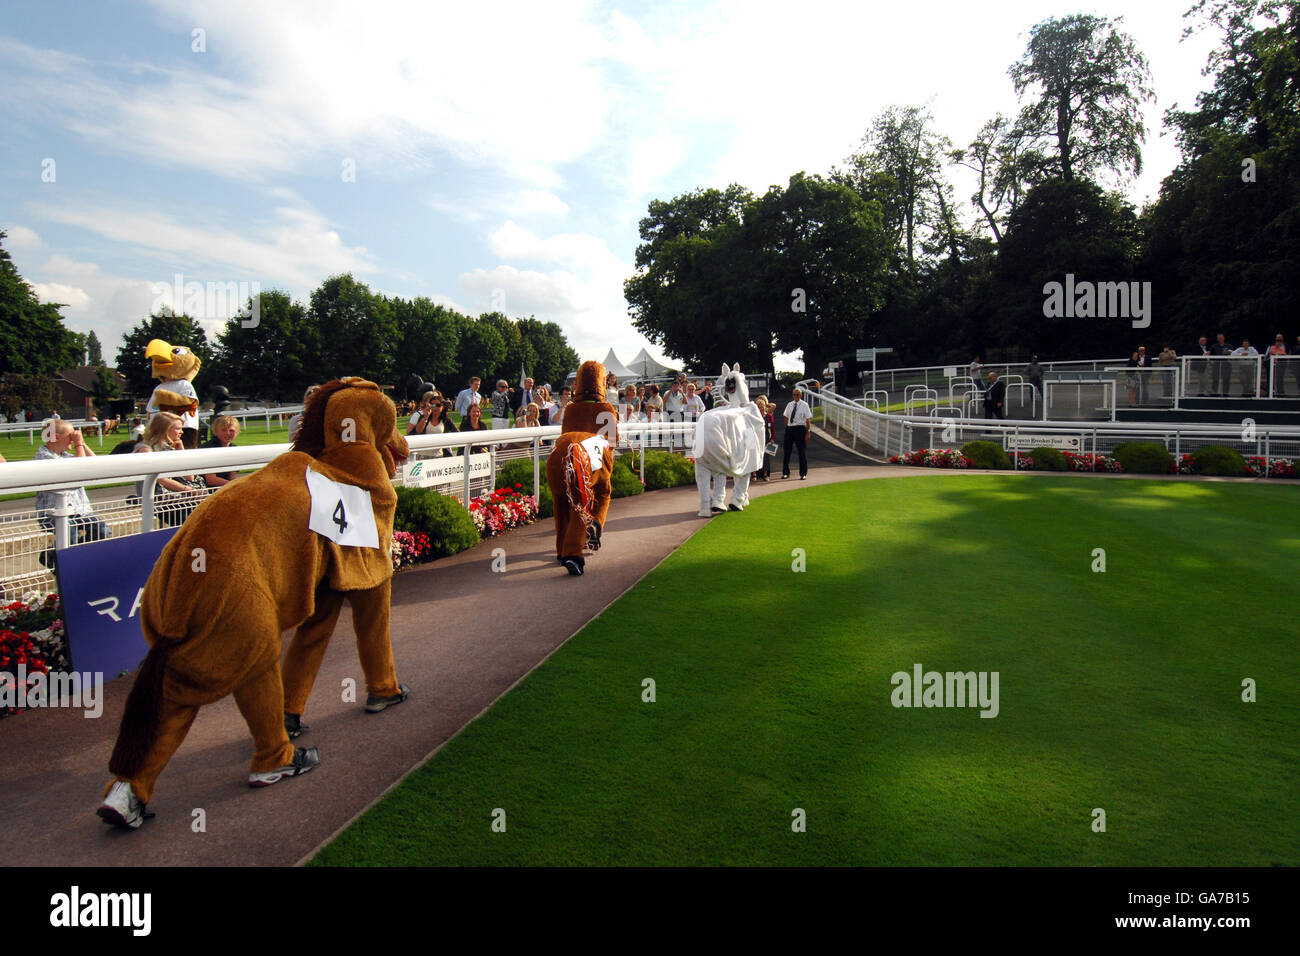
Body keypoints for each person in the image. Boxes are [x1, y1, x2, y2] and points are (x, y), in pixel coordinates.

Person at [34, 419, 112, 557]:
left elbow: (97, 464)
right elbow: (79, 470)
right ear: (56, 437)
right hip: (53, 512)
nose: (73, 438)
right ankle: (55, 559)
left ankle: (70, 556)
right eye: (70, 435)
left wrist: (81, 443)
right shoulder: (43, 457)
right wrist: (77, 444)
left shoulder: (65, 456)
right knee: (70, 533)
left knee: (102, 531)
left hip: (79, 510)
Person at [133, 412, 204, 527]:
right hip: (156, 497)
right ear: (165, 429)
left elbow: (189, 477)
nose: (182, 432)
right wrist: (188, 490)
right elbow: (161, 479)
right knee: (192, 521)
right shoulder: (146, 448)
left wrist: (181, 449)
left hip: (174, 497)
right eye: (178, 429)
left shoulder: (169, 448)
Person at [200, 414, 241, 488]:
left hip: (224, 486)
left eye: (231, 430)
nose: (228, 433)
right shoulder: (208, 448)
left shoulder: (235, 449)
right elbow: (211, 479)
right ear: (215, 431)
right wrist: (233, 485)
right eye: (224, 430)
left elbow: (232, 476)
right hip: (204, 488)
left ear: (237, 432)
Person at [782, 387, 812, 479]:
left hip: (800, 429)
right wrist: (787, 428)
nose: (795, 396)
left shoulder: (805, 405)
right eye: (794, 395)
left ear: (801, 395)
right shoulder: (789, 404)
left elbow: (807, 419)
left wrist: (808, 432)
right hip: (790, 429)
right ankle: (785, 472)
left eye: (797, 394)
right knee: (787, 452)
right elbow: (786, 417)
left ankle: (803, 473)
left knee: (801, 452)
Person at [753, 395, 775, 482]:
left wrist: (772, 438)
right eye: (758, 406)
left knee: (766, 456)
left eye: (761, 405)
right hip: (756, 438)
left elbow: (772, 428)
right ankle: (754, 474)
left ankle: (765, 474)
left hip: (766, 438)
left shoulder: (769, 416)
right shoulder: (753, 416)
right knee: (755, 455)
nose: (760, 407)